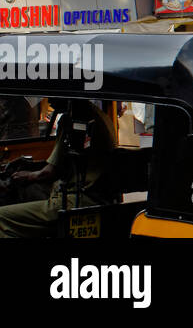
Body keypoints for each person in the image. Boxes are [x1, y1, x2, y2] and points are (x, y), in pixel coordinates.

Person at [0, 99, 116, 238]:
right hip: (99, 195)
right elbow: (69, 161)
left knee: (2, 217)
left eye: (53, 96)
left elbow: (49, 172)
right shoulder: (101, 115)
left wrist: (28, 175)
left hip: (76, 200)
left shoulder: (73, 119)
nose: (49, 101)